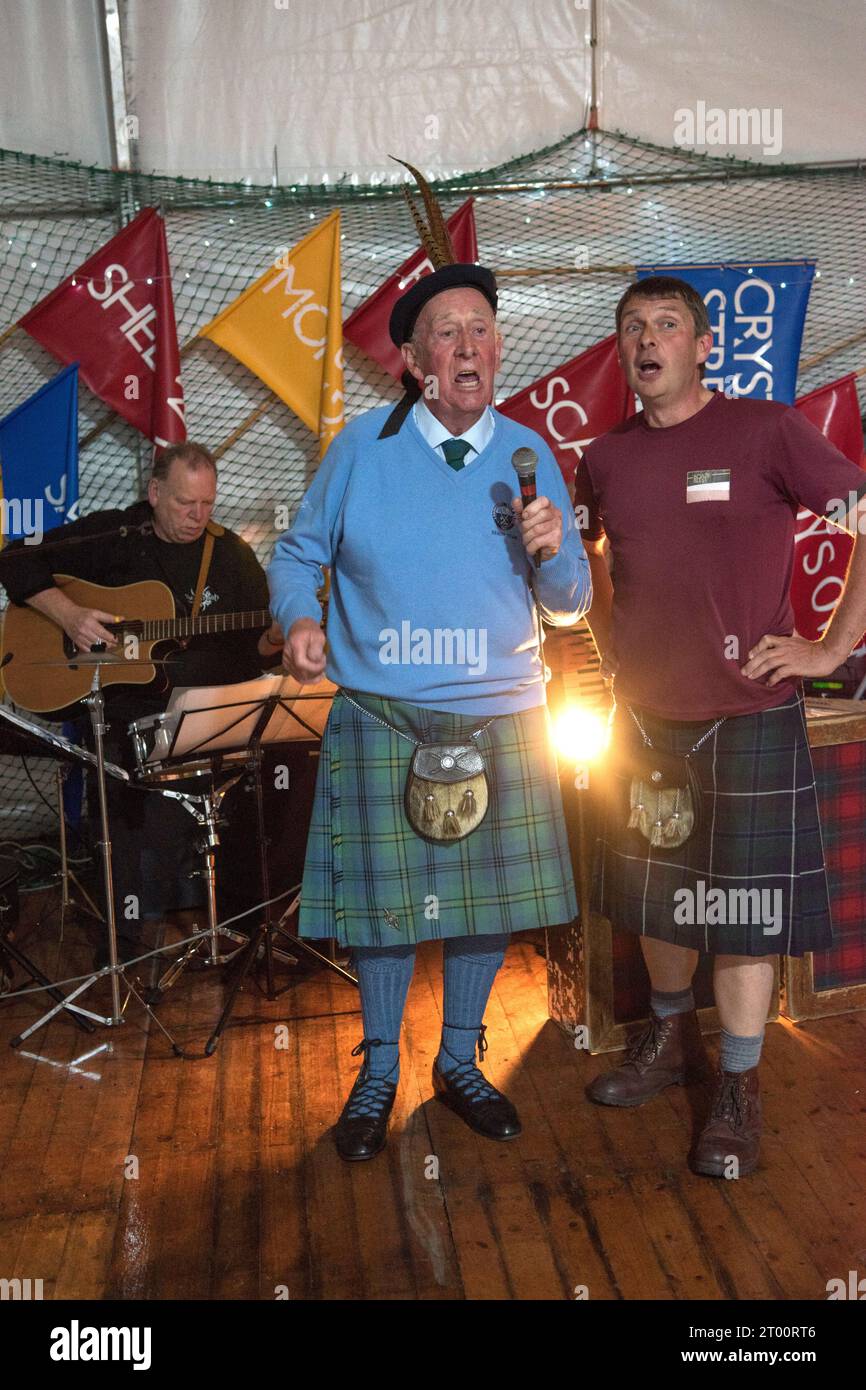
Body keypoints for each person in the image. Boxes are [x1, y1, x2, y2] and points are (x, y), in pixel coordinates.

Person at [268, 259, 590, 1161]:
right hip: (383, 717)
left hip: (504, 716)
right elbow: (297, 556)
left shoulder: (531, 459)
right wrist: (300, 619)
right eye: (446, 332)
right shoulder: (360, 450)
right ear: (414, 359)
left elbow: (570, 604)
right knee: (385, 911)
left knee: (485, 908)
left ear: (498, 348)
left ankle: (458, 1060)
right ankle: (377, 1071)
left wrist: (555, 551)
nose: (469, 346)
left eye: (482, 328)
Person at [574, 274, 866, 1177]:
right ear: (621, 350)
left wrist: (829, 648)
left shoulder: (765, 429)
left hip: (747, 717)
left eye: (667, 324)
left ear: (705, 346)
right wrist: (607, 653)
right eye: (632, 327)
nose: (647, 339)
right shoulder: (606, 457)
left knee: (742, 912)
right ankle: (668, 1044)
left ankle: (737, 1084)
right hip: (642, 719)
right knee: (660, 898)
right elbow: (584, 570)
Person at [0, 441, 283, 940]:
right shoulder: (114, 534)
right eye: (184, 503)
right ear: (154, 492)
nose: (197, 516)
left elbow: (250, 652)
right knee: (123, 799)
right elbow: (14, 558)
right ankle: (127, 936)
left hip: (205, 716)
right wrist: (70, 615)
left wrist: (272, 641)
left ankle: (225, 915)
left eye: (207, 505)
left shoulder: (231, 556)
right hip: (122, 715)